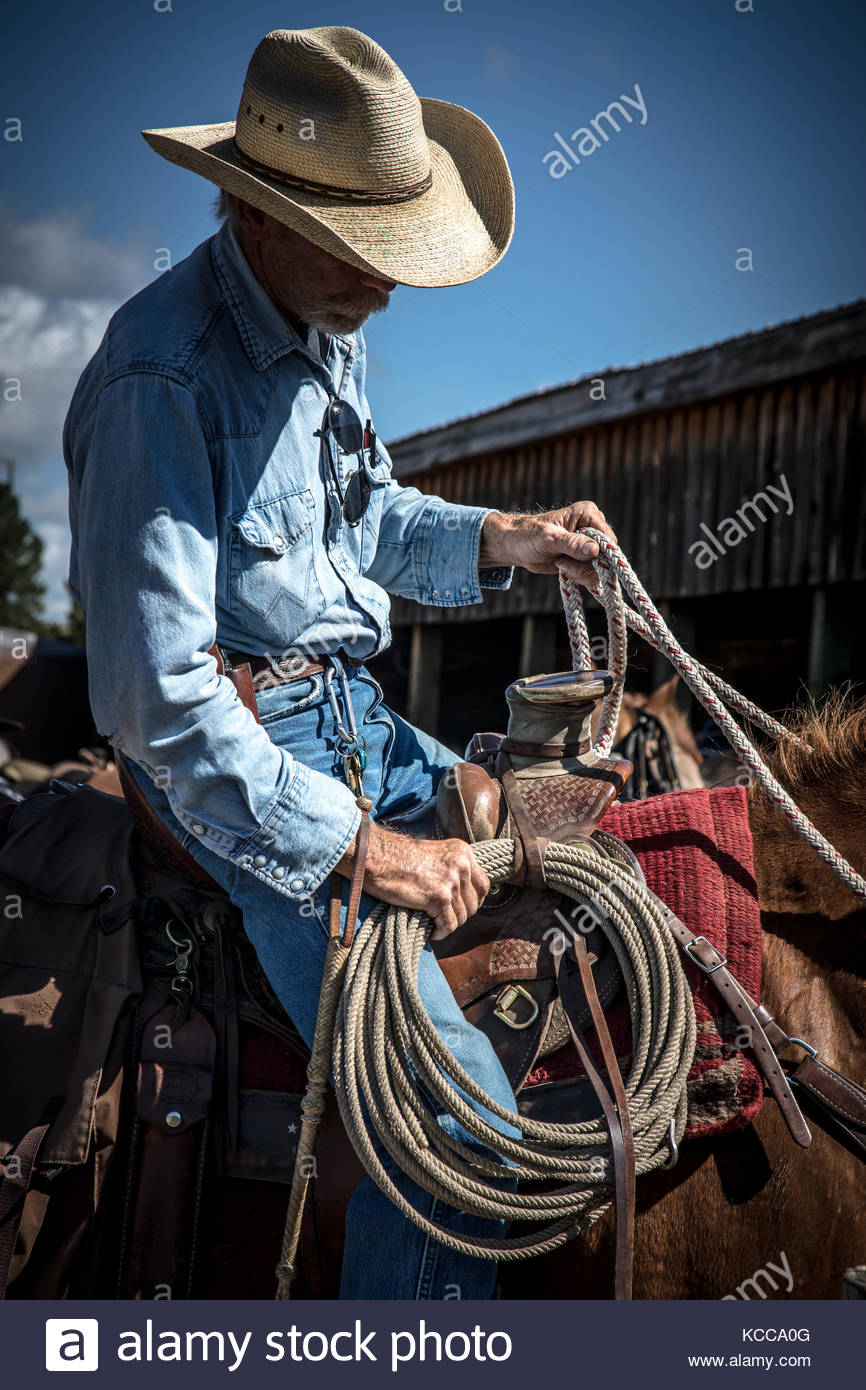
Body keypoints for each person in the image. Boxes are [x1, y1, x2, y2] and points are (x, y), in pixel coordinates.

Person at [63, 25, 615, 1299]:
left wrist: (505, 540)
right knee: (454, 1125)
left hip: (353, 715)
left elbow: (366, 519)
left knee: (583, 844)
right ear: (262, 217)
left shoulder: (324, 326)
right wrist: (362, 849)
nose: (393, 285)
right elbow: (160, 705)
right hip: (230, 759)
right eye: (373, 253)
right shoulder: (161, 376)